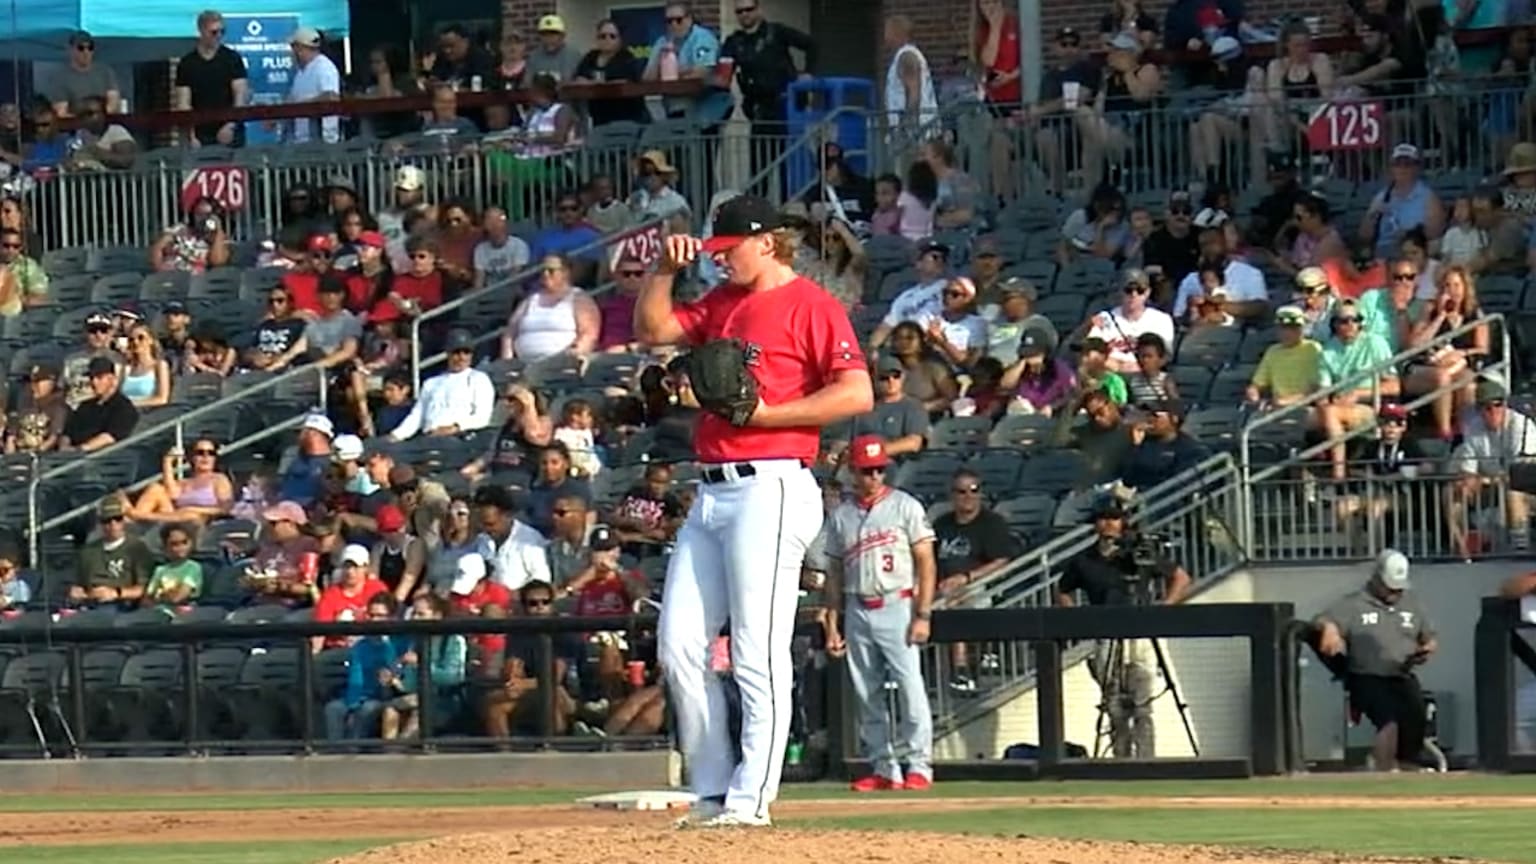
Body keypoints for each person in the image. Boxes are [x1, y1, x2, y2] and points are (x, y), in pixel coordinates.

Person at [634, 195, 873, 828]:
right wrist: (662, 269)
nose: (720, 261)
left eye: (729, 249)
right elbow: (654, 331)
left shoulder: (812, 305)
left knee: (754, 652)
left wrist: (770, 415)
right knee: (679, 644)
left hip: (773, 484)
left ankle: (750, 802)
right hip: (712, 490)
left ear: (767, 242)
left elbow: (856, 391)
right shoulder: (723, 303)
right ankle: (713, 789)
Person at [818, 436, 936, 792]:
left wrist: (923, 613)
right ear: (853, 472)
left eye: (878, 470)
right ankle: (884, 767)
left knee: (910, 689)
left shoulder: (905, 506)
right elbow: (835, 573)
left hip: (897, 602)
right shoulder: (841, 516)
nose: (873, 476)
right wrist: (832, 620)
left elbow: (926, 562)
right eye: (866, 470)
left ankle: (919, 764)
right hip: (857, 605)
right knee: (866, 692)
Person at [1055, 497, 1191, 758]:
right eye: (1103, 518)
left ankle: (1146, 760)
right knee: (1114, 704)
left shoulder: (1139, 553)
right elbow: (1062, 589)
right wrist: (1078, 618)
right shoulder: (1084, 560)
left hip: (1141, 634)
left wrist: (1164, 607)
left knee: (1143, 705)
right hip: (1105, 633)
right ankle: (1120, 758)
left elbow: (1180, 578)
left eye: (1114, 518)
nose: (1108, 524)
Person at [1312, 550, 1436, 771]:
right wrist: (1329, 629)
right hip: (1366, 676)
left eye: (1398, 589)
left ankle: (1407, 764)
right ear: (1377, 578)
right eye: (1389, 587)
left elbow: (1428, 636)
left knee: (1416, 715)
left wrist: (1427, 648)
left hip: (1401, 674)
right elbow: (1323, 619)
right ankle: (1384, 768)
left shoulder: (1411, 603)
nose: (1393, 593)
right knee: (1388, 720)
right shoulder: (1354, 603)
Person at [174, 10, 249, 147]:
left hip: (230, 131)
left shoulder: (232, 58)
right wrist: (191, 135)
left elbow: (240, 95)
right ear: (201, 31)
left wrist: (231, 125)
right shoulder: (187, 63)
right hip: (200, 133)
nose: (219, 36)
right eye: (214, 32)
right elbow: (183, 103)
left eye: (222, 31)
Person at [286, 27, 341, 144]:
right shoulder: (301, 72)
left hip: (322, 140)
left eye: (293, 47)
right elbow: (294, 99)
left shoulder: (324, 67)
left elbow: (331, 97)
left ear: (300, 48)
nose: (291, 51)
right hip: (302, 139)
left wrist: (304, 104)